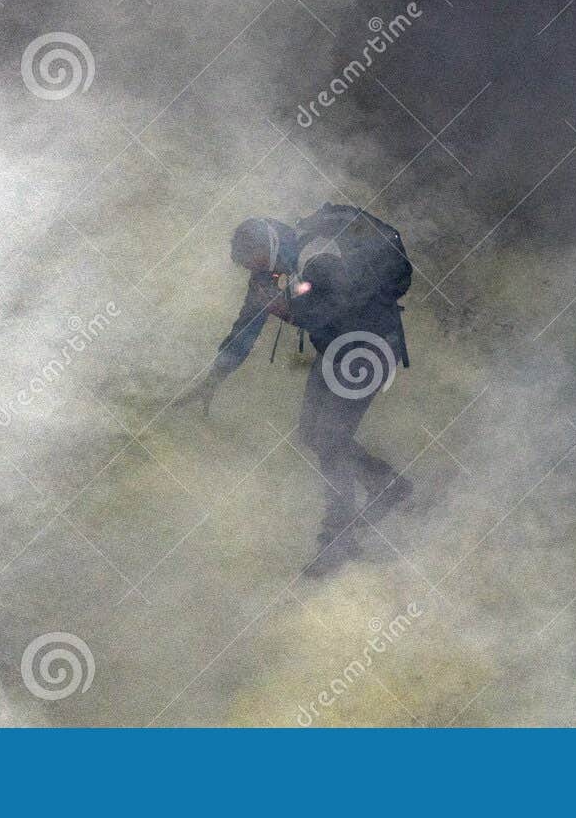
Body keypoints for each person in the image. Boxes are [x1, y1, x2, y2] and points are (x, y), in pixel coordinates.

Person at [177, 206, 413, 575]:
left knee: (331, 439)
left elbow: (327, 309)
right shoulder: (279, 265)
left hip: (369, 350)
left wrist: (279, 305)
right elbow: (247, 326)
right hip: (339, 349)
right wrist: (214, 379)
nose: (257, 273)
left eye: (254, 263)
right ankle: (389, 485)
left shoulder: (318, 251)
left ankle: (338, 542)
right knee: (312, 433)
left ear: (266, 245)